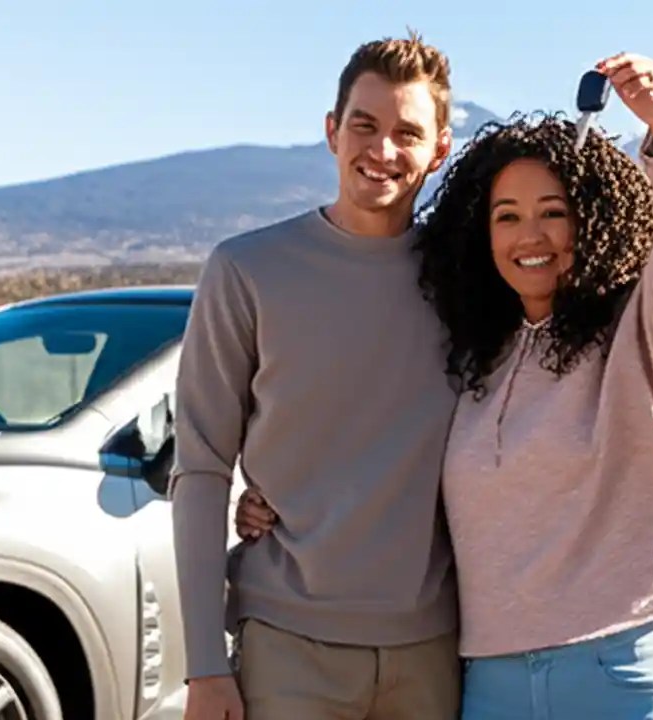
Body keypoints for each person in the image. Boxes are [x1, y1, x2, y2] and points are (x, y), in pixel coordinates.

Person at [238, 52, 653, 719]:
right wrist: (282, 498)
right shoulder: (477, 357)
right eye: (506, 216)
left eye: (552, 212)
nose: (530, 236)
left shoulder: (648, 336)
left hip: (625, 669)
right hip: (492, 680)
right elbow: (385, 450)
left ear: (590, 218)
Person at [169, 31, 464, 720]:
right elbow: (202, 468)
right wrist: (204, 667)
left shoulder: (468, 281)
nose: (382, 150)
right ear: (332, 132)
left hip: (435, 651)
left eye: (407, 132)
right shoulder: (247, 270)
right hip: (286, 647)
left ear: (440, 150)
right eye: (364, 125)